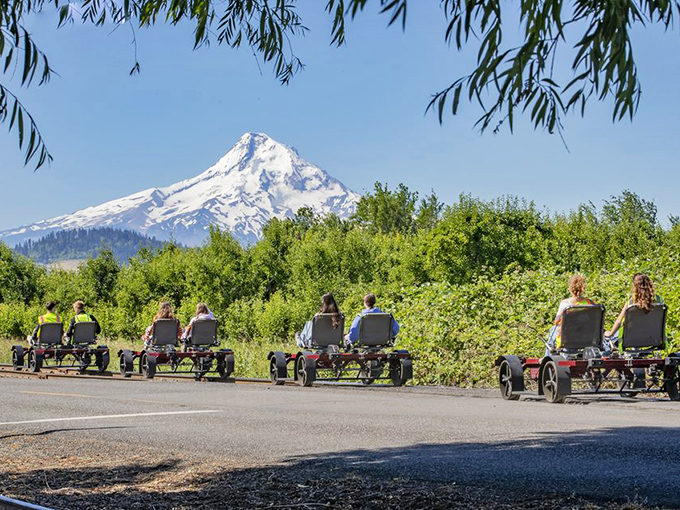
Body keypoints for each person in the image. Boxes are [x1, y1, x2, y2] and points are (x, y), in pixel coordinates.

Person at [605, 273, 663, 348]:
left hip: (630, 340)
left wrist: (610, 333)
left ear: (634, 286)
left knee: (606, 340)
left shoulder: (631, 302)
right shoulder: (659, 300)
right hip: (654, 338)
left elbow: (619, 321)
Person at [545, 274, 596, 355]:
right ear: (583, 289)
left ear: (570, 288)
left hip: (568, 341)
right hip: (588, 340)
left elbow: (556, 322)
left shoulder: (565, 304)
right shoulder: (591, 303)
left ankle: (547, 356)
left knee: (553, 329)